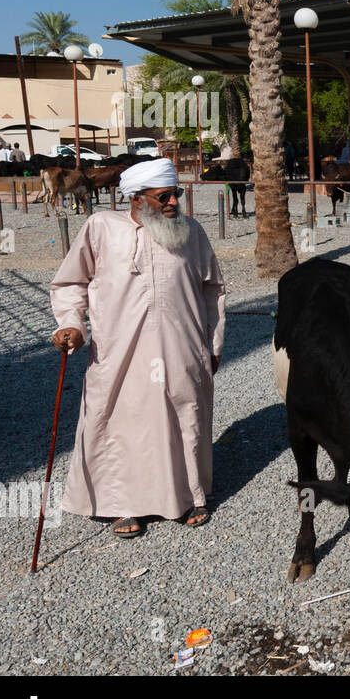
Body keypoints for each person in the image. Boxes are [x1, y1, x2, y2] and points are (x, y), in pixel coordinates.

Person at [49, 158, 226, 537]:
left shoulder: (191, 233)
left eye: (175, 194)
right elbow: (70, 284)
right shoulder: (101, 227)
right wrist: (71, 324)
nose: (173, 203)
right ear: (134, 198)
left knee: (184, 418)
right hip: (120, 351)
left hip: (183, 348)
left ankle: (188, 495)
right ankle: (122, 504)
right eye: (163, 196)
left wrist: (214, 342)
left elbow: (213, 289)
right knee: (123, 422)